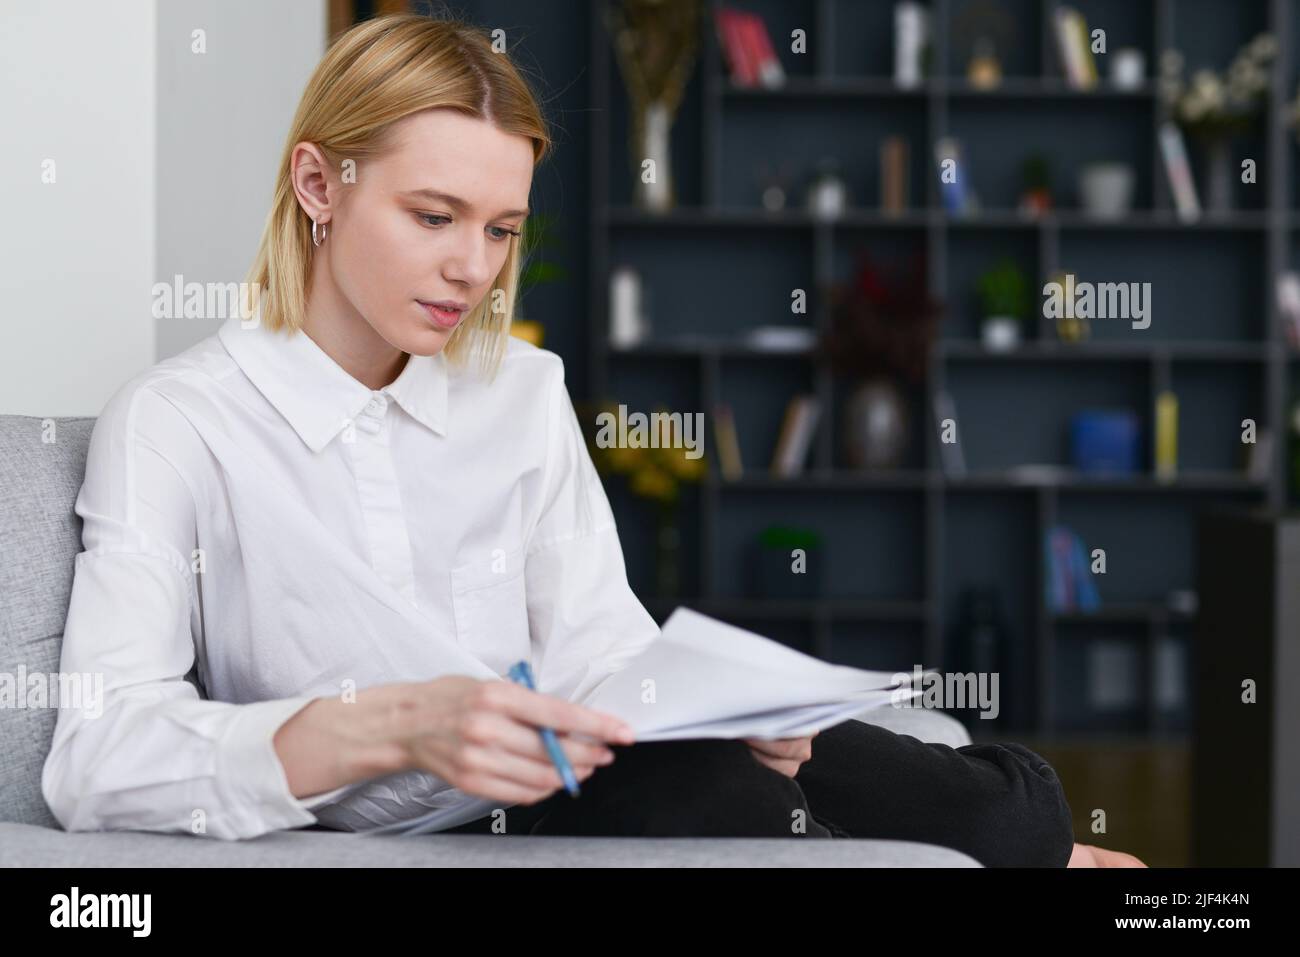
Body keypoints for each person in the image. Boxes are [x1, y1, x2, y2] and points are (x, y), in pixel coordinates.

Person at [41, 13, 1142, 868]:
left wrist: (721, 704)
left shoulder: (518, 388)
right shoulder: (180, 423)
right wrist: (389, 727)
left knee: (940, 792)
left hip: (574, 768)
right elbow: (96, 757)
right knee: (734, 802)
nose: (473, 269)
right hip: (413, 821)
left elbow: (597, 649)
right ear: (319, 184)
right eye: (434, 217)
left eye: (501, 228)